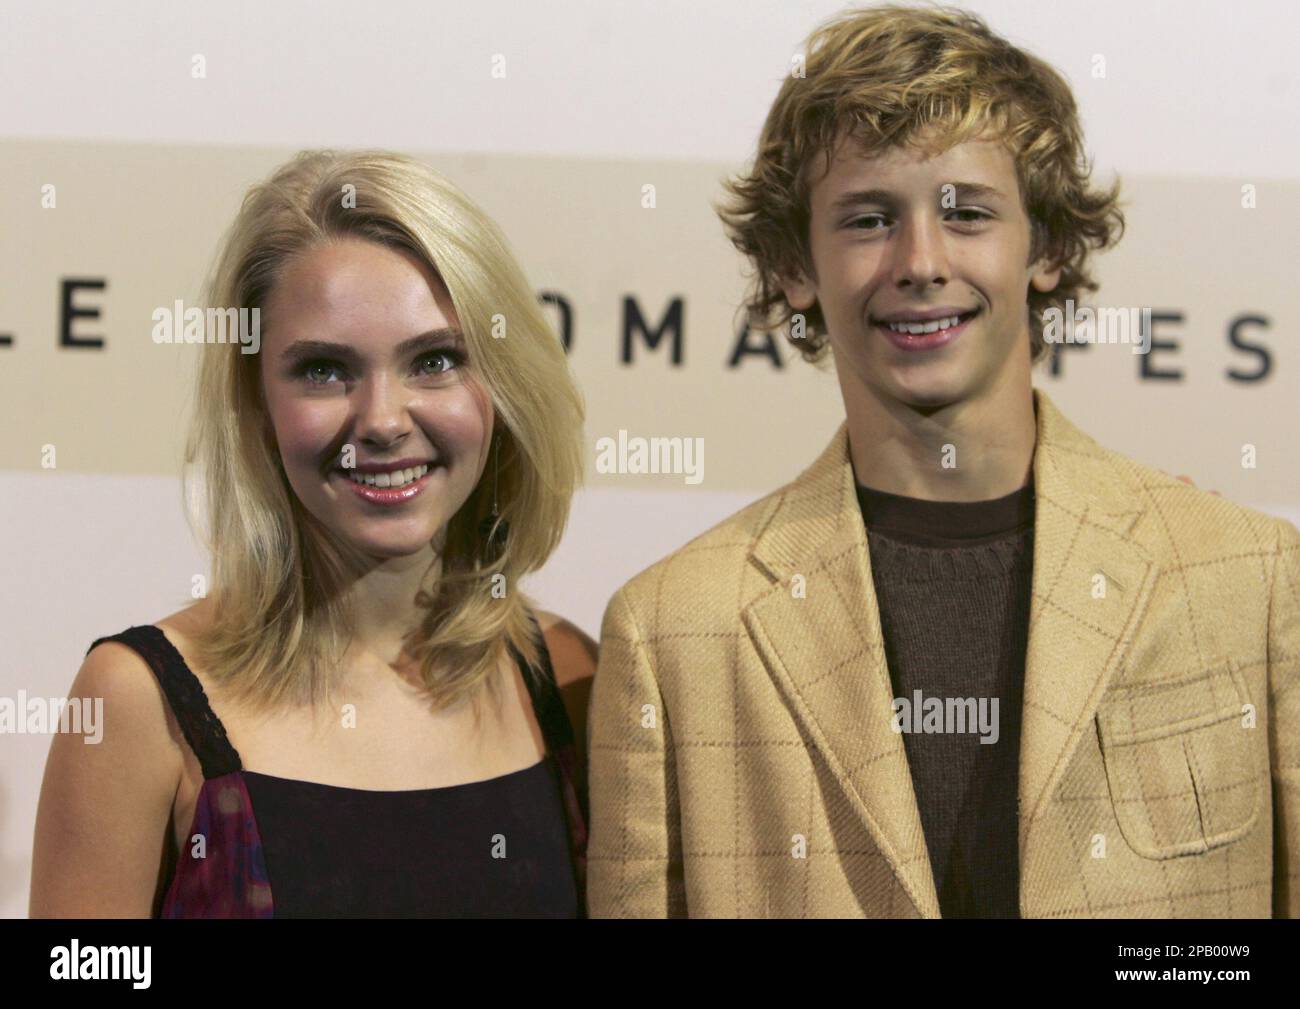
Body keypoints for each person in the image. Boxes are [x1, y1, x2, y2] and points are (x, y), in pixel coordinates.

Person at [586, 5, 1299, 917]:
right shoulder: (675, 632)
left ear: (1043, 244)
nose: (920, 261)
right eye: (869, 218)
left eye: (966, 212)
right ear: (795, 267)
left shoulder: (1249, 578)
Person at [30, 150, 595, 918]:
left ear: (502, 386)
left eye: (435, 360)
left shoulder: (565, 675)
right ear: (255, 398)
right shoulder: (138, 702)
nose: (385, 420)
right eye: (326, 370)